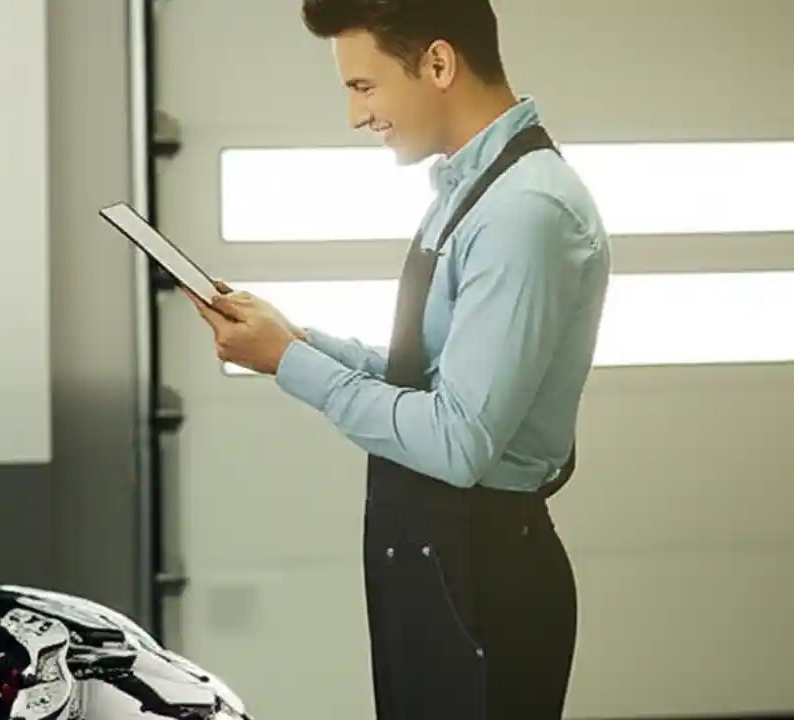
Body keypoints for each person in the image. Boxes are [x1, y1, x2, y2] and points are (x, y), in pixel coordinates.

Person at [185, 0, 612, 717]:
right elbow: (434, 372)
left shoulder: (524, 211)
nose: (357, 115)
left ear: (438, 63)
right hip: (443, 560)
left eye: (363, 86)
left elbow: (458, 437)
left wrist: (290, 364)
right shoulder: (473, 191)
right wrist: (295, 339)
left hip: (487, 580)